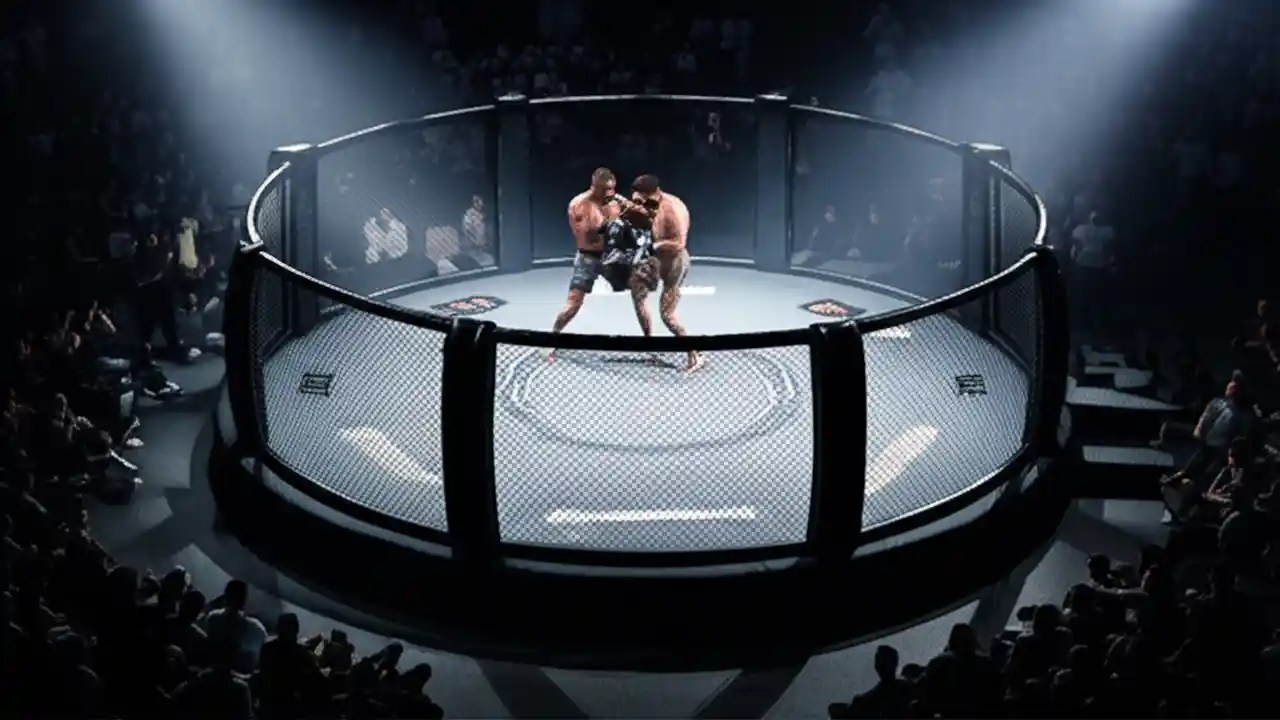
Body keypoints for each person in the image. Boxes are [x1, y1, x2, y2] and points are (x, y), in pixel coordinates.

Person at [626, 174, 703, 372]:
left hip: (675, 262)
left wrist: (652, 245)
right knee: (637, 292)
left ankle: (693, 353)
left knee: (667, 315)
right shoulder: (644, 204)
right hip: (655, 260)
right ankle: (649, 344)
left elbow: (679, 244)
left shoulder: (673, 208)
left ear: (652, 194)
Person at [549, 167, 623, 353]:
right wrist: (609, 220)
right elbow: (588, 236)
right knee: (574, 302)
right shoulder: (580, 204)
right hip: (588, 256)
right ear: (594, 187)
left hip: (612, 255)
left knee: (641, 292)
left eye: (612, 189)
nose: (610, 193)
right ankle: (552, 339)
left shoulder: (615, 201)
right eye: (605, 190)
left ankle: (650, 344)